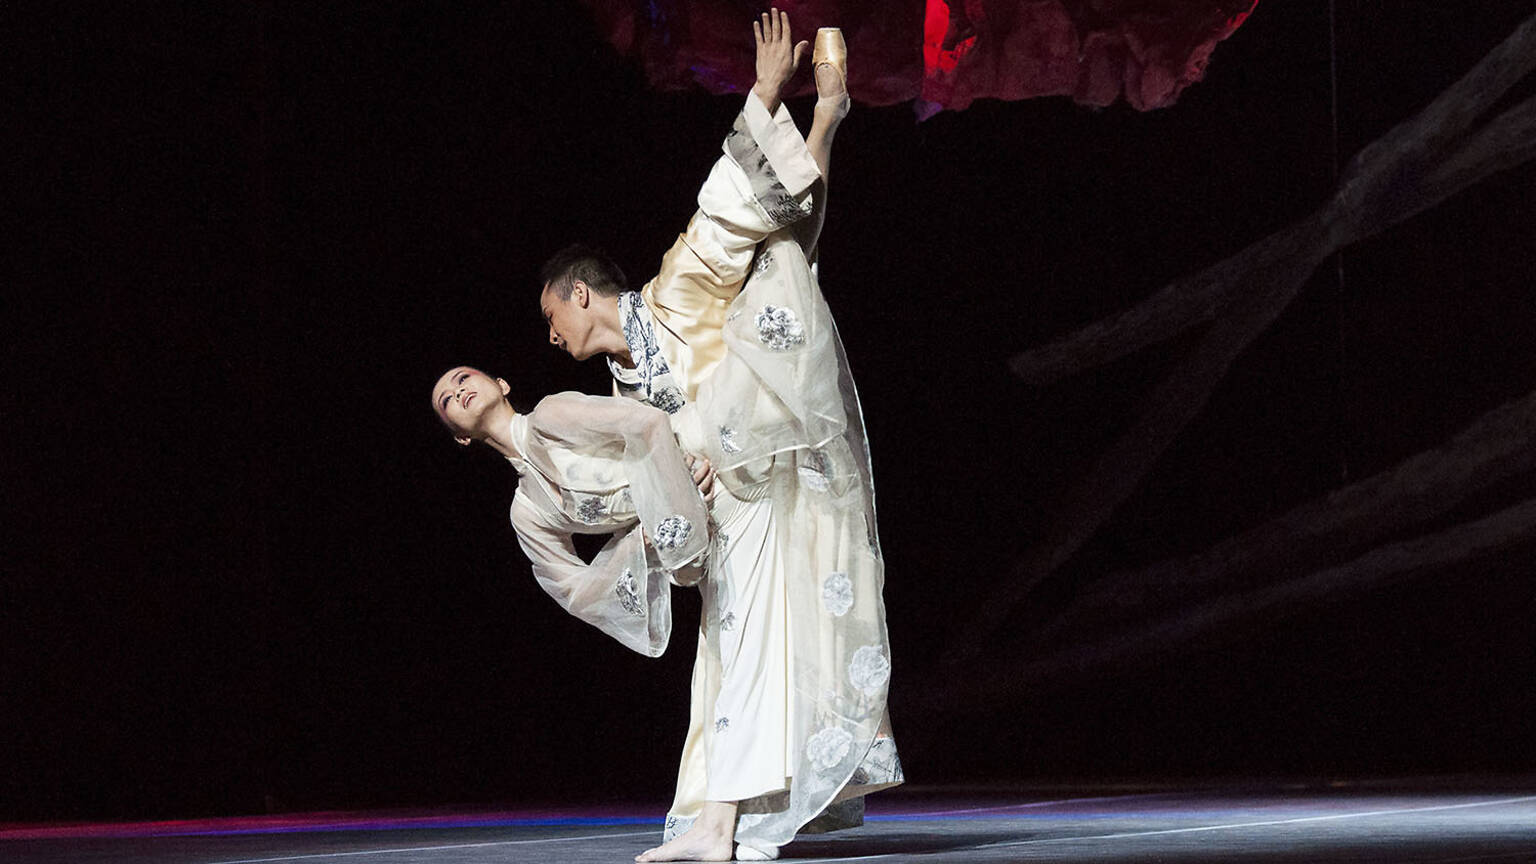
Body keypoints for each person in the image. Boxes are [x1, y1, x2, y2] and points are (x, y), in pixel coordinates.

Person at [539, 10, 899, 862]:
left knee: (780, 257)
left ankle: (730, 822)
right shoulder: (623, 386)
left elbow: (727, 213)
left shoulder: (673, 294)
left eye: (553, 315)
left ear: (582, 295)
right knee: (730, 651)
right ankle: (723, 817)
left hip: (766, 472)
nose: (552, 335)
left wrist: (768, 89)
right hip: (725, 506)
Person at [430, 366, 714, 657]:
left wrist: (678, 502)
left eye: (463, 379)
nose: (459, 391)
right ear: (461, 437)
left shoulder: (550, 415)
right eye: (447, 400)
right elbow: (575, 592)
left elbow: (648, 423)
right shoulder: (527, 511)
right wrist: (637, 544)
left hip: (704, 463)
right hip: (690, 526)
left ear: (502, 385)